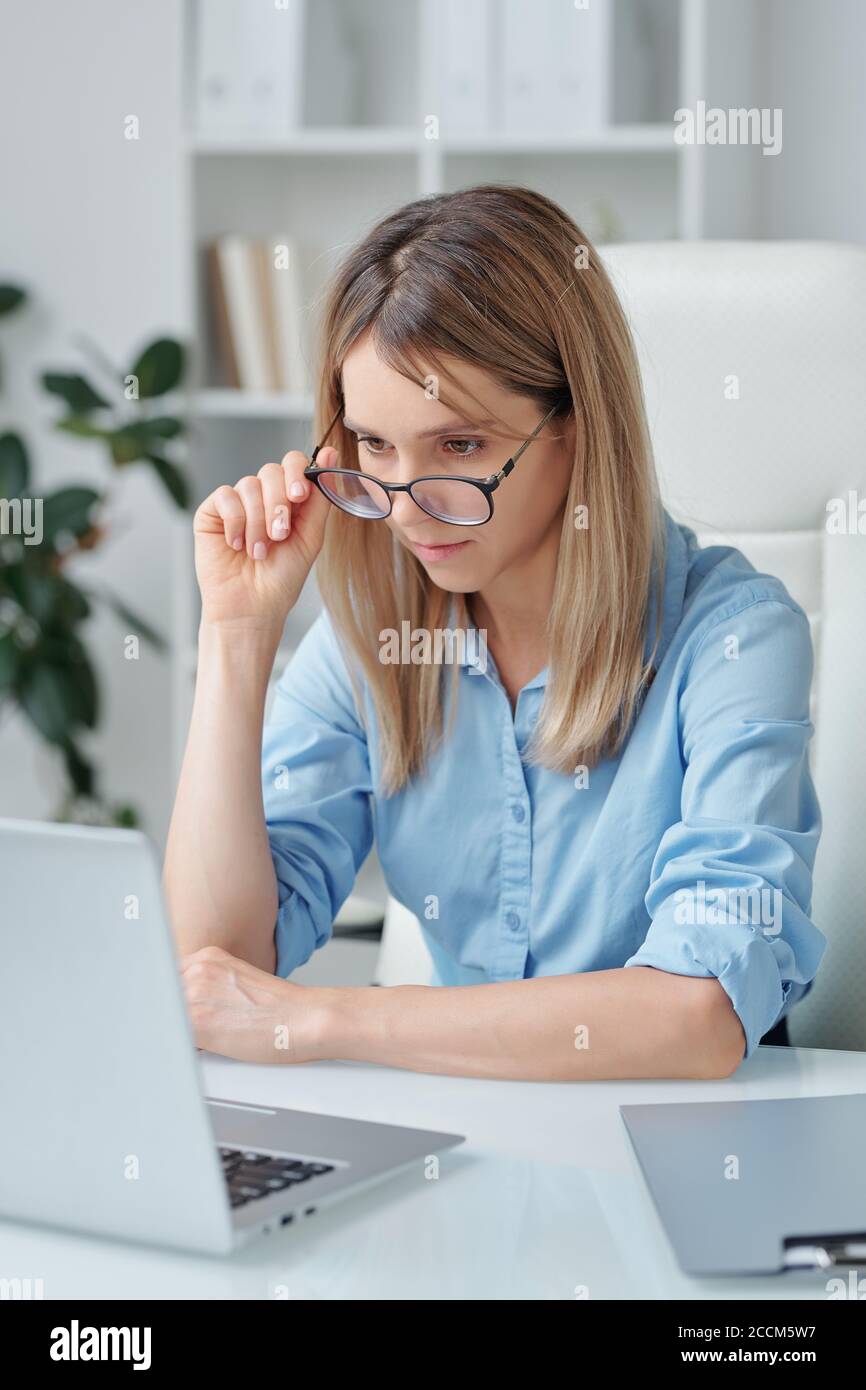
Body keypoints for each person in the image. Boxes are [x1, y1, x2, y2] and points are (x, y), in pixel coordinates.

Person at [164, 185, 824, 1082]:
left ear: (578, 428)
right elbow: (214, 977)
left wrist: (327, 1019)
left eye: (461, 449)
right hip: (472, 1146)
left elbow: (697, 1012)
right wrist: (237, 637)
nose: (405, 507)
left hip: (686, 1158)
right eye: (373, 447)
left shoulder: (735, 640)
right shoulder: (371, 644)